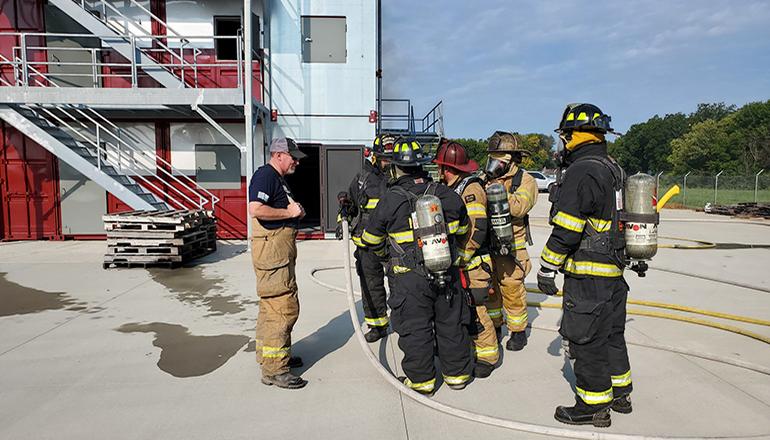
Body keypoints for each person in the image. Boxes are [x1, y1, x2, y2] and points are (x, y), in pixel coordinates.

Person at [537, 103, 631, 427]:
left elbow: (567, 228)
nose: (563, 141)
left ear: (577, 135)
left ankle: (592, 406)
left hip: (588, 275)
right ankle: (620, 394)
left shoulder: (582, 170)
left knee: (586, 338)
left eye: (566, 134)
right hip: (614, 272)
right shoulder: (612, 166)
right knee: (612, 334)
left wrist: (547, 267)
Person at [362, 138, 474, 395]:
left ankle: (422, 382)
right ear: (422, 164)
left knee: (415, 328)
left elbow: (370, 240)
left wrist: (387, 256)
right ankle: (457, 376)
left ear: (396, 167)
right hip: (446, 271)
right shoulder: (446, 194)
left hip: (409, 278)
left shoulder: (390, 199)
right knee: (452, 323)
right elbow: (463, 230)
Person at [434, 140, 499, 378]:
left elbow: (476, 228)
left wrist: (460, 257)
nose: (438, 171)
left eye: (440, 167)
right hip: (462, 262)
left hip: (474, 262)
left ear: (446, 168)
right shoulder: (453, 187)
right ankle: (471, 348)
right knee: (462, 308)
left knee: (475, 310)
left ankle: (488, 357)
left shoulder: (471, 189)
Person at [248, 137, 308, 389]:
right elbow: (256, 209)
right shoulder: (265, 176)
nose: (296, 162)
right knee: (282, 308)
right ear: (278, 155)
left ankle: (272, 357)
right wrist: (288, 213)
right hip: (273, 256)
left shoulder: (277, 179)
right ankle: (275, 370)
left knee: (271, 308)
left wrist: (296, 213)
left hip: (278, 255)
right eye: (293, 157)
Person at [337, 133, 396, 342]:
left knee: (400, 285)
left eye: (392, 158)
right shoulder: (362, 179)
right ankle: (378, 325)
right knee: (371, 285)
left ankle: (404, 322)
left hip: (393, 244)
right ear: (376, 157)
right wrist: (342, 220)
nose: (388, 163)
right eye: (385, 159)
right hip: (366, 245)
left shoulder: (399, 178)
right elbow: (351, 205)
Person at [483, 131, 538, 351]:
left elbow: (520, 207)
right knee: (490, 291)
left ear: (512, 159)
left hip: (512, 247)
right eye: (492, 159)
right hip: (488, 244)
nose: (494, 165)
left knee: (512, 291)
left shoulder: (525, 180)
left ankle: (518, 331)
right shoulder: (486, 178)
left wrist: (497, 192)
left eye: (500, 160)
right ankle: (495, 326)